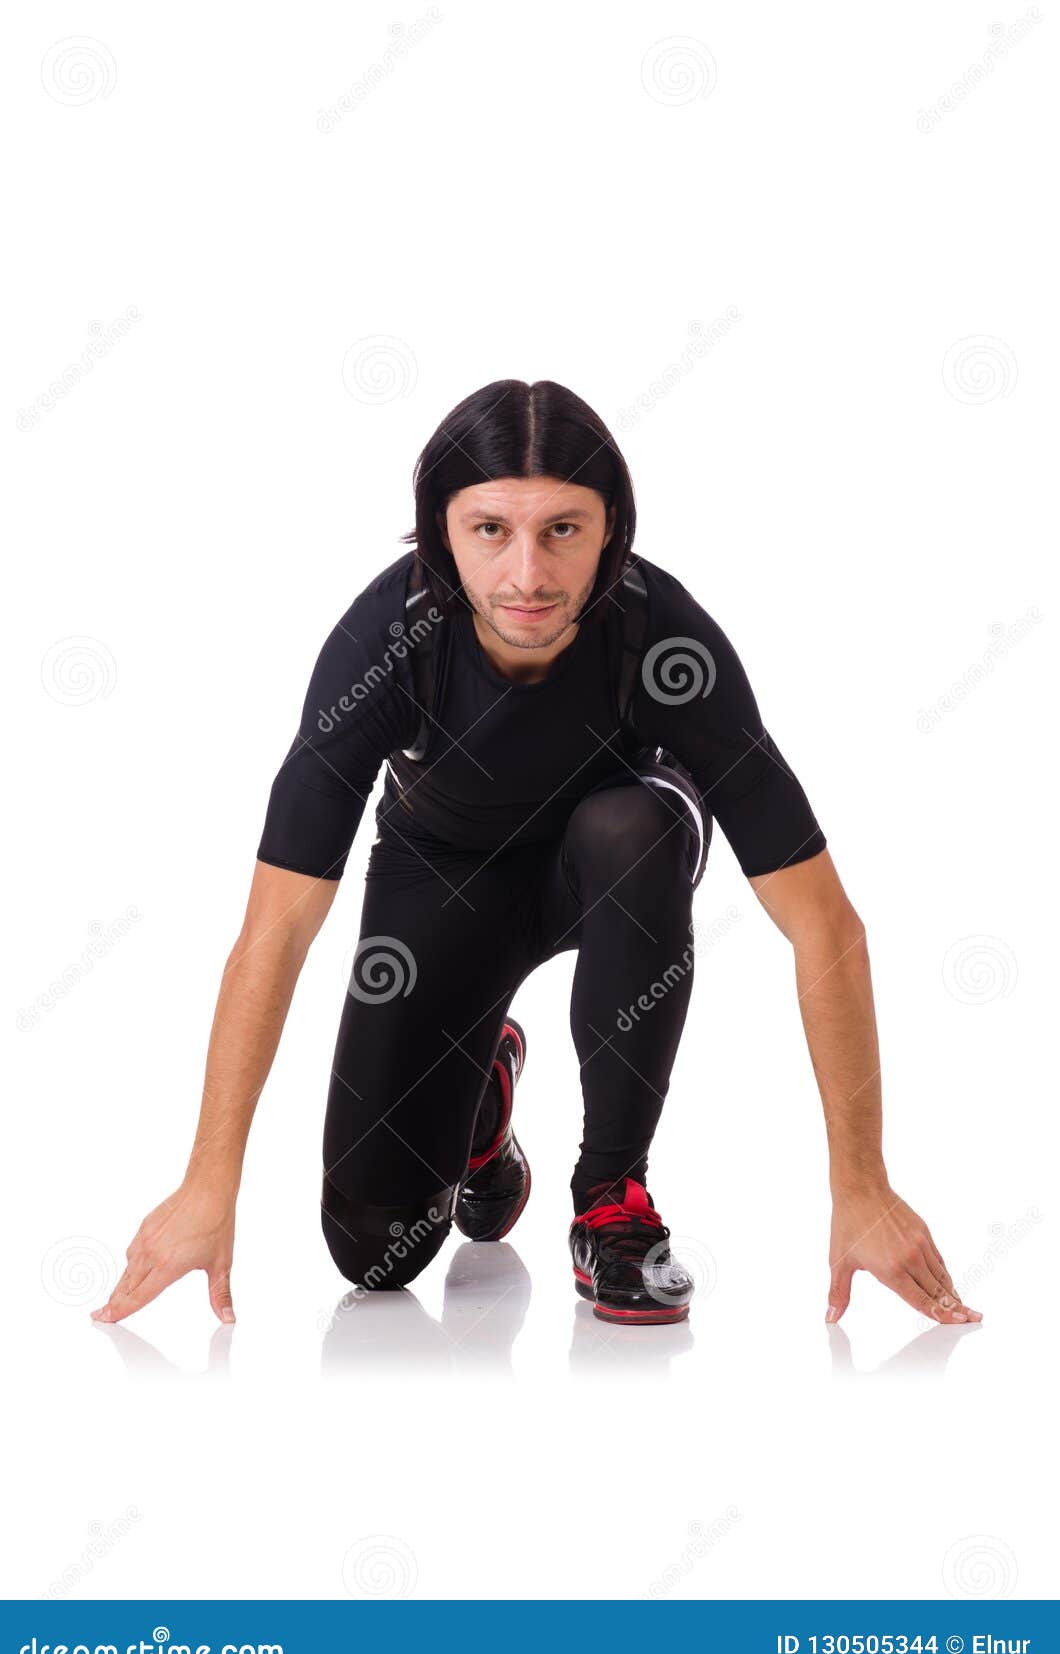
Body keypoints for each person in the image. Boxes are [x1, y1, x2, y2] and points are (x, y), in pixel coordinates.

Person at [92, 379, 982, 1329]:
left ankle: (611, 1199)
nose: (528, 575)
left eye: (563, 529)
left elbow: (825, 926)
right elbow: (273, 931)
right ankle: (484, 1101)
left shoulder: (663, 637)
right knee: (374, 1252)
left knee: (627, 829)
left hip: (615, 863)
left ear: (611, 529)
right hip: (444, 875)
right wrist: (207, 1183)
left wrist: (863, 1185)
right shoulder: (384, 645)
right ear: (442, 532)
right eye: (491, 530)